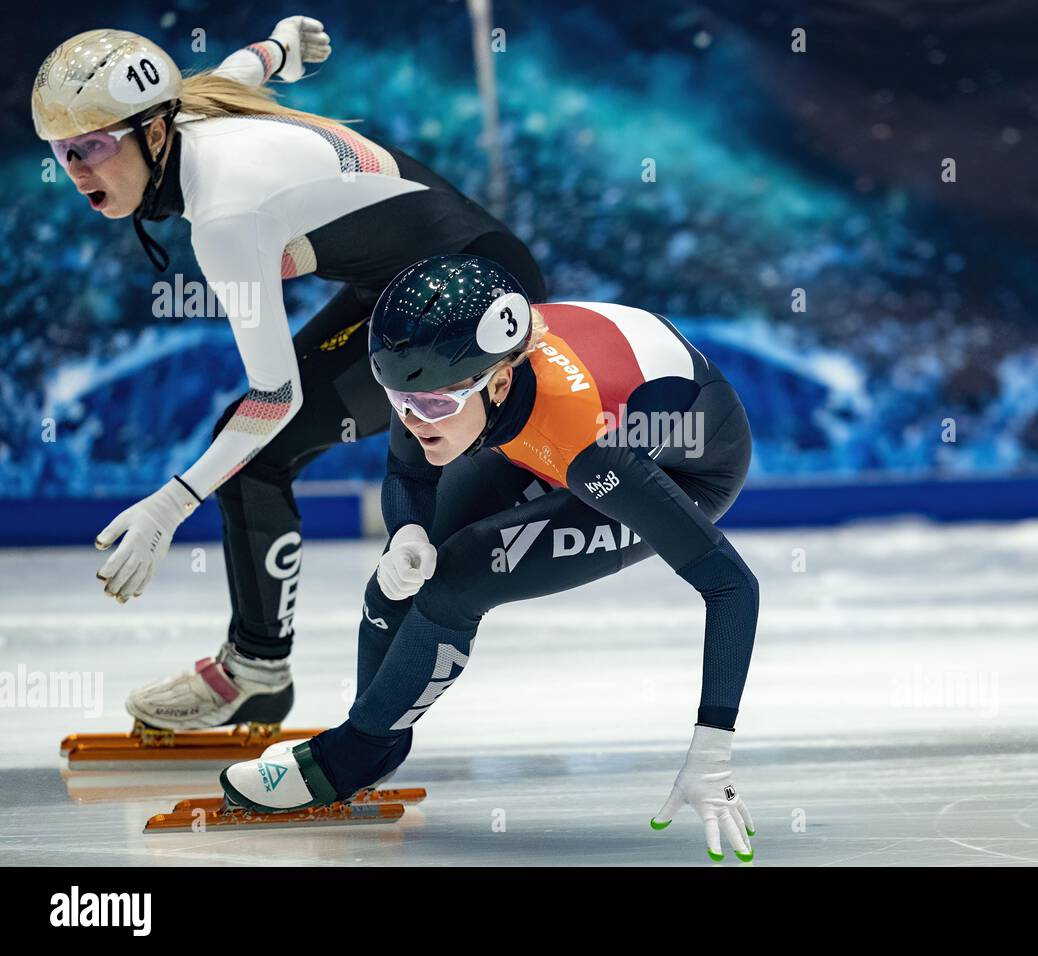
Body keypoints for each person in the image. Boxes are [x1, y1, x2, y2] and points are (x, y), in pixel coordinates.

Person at [30, 21, 546, 732]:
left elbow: (276, 398)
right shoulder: (191, 113)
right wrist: (281, 48)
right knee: (253, 452)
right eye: (62, 153)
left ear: (153, 133)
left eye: (91, 148)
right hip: (414, 278)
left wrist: (171, 504)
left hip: (473, 290)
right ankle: (265, 668)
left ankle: (268, 676)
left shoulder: (225, 218)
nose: (76, 171)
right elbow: (235, 73)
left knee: (254, 451)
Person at [220, 255, 760, 861]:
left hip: (681, 467)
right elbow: (408, 469)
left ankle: (355, 751)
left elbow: (732, 586)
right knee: (400, 581)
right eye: (396, 400)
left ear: (499, 382)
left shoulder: (585, 443)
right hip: (559, 422)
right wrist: (406, 534)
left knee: (463, 574)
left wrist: (713, 751)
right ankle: (377, 739)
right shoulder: (437, 373)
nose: (412, 420)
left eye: (433, 408)